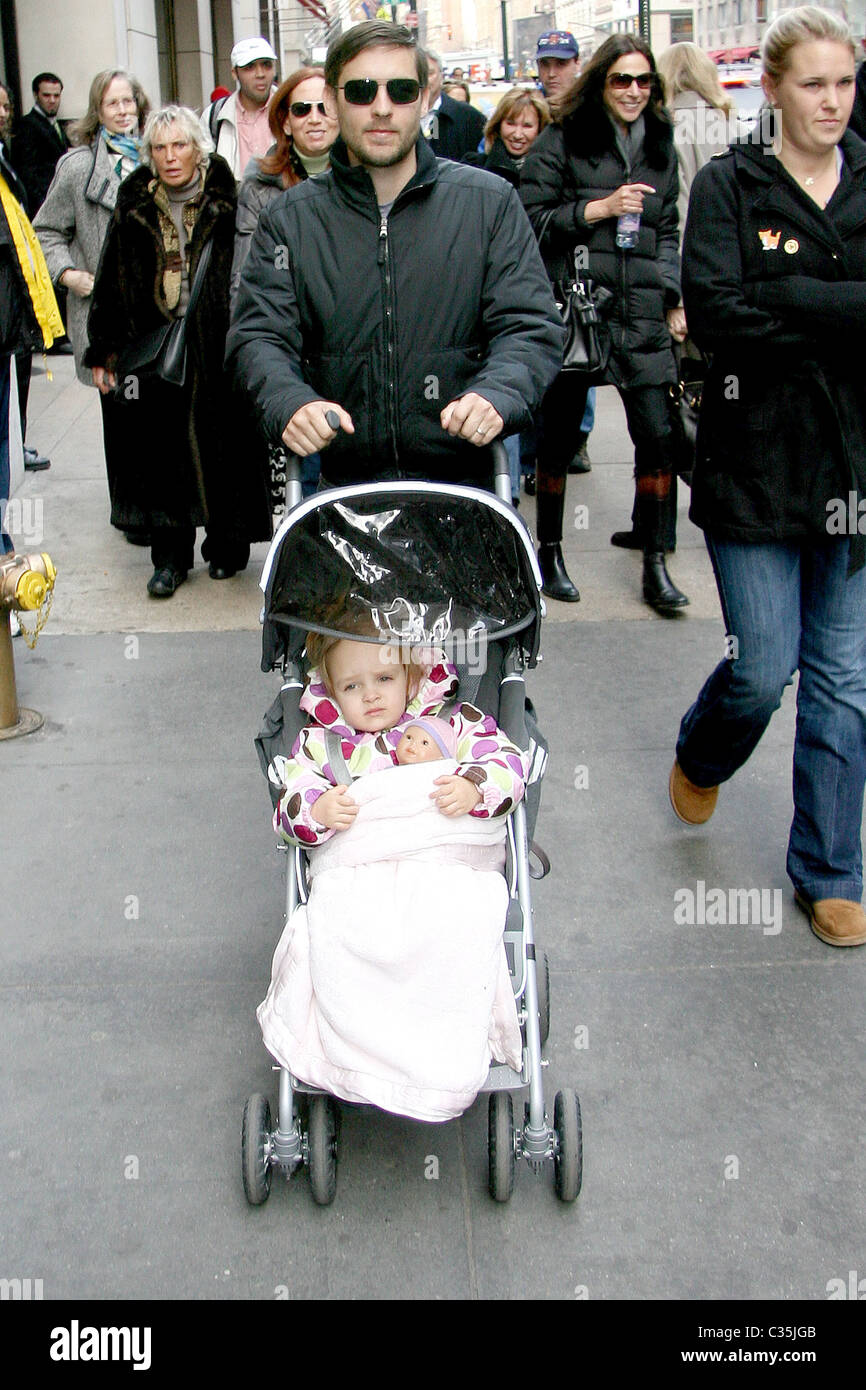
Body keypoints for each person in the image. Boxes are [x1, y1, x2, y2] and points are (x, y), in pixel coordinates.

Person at [670, 5, 866, 948]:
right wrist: (836, 312)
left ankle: (829, 869)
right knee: (764, 669)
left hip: (855, 465)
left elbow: (759, 307)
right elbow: (715, 312)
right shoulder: (729, 184)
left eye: (845, 82)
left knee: (844, 682)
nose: (832, 102)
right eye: (814, 84)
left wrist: (782, 296)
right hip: (754, 465)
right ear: (775, 90)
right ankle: (703, 750)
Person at [227, 20, 563, 493]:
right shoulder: (290, 219)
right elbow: (258, 336)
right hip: (343, 490)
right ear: (333, 97)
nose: (382, 108)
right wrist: (289, 401)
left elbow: (530, 325)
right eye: (362, 91)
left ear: (424, 98)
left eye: (401, 90)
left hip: (464, 488)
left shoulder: (489, 203)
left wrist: (497, 393)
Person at [260, 632, 526, 1121]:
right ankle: (360, 1053)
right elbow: (289, 801)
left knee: (456, 922)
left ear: (413, 673)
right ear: (330, 692)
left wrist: (475, 787)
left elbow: (510, 763)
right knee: (342, 926)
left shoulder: (451, 724)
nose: (372, 695)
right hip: (361, 872)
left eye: (384, 678)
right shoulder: (322, 743)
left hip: (444, 867)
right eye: (352, 687)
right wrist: (316, 807)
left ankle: (435, 1052)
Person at [521, 34, 689, 613]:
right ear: (600, 83)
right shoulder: (562, 140)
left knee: (657, 434)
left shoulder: (662, 146)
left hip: (641, 311)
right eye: (622, 80)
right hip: (578, 308)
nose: (635, 91)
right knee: (559, 438)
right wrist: (598, 209)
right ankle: (549, 550)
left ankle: (656, 559)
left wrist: (673, 297)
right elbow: (530, 219)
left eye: (644, 81)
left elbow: (667, 229)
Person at [84, 105, 270, 597]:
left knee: (222, 447)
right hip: (152, 348)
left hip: (217, 344)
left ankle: (227, 549)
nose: (170, 157)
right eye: (160, 148)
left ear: (198, 148)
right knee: (160, 455)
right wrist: (105, 351)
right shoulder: (134, 204)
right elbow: (109, 280)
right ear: (149, 154)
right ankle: (169, 559)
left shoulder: (228, 201)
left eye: (180, 145)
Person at [606, 41, 737, 556]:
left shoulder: (667, 129)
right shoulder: (724, 125)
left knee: (667, 410)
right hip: (717, 275)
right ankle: (655, 522)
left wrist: (672, 295)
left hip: (676, 278)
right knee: (694, 399)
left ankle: (679, 512)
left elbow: (669, 215)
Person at [34, 69, 150, 536]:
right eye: (112, 104)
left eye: (129, 102)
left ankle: (158, 506)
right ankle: (131, 511)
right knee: (120, 413)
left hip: (154, 313)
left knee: (153, 409)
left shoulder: (159, 154)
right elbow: (45, 230)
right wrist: (68, 274)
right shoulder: (79, 167)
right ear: (97, 111)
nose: (122, 112)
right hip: (105, 316)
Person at [462, 86, 551, 503]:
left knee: (521, 393)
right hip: (487, 307)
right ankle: (506, 497)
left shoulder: (550, 172)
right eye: (511, 122)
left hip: (537, 293)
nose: (518, 132)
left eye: (527, 124)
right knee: (498, 400)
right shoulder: (477, 175)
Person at [1, 83, 63, 567]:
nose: (2, 112)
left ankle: (2, 557)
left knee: (4, 450)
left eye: (3, 104)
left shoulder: (4, 161)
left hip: (6, 333)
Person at [534, 29, 592, 479]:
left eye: (561, 63)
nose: (552, 72)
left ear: (578, 64)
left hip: (593, 270)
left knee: (582, 355)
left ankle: (580, 439)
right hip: (548, 266)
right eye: (546, 64)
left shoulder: (587, 121)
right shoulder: (538, 117)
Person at [230, 65, 338, 299]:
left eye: (325, 108)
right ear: (286, 122)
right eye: (301, 110)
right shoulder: (259, 186)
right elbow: (246, 278)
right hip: (284, 321)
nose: (314, 119)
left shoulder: (365, 178)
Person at [200, 36, 278, 182]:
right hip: (234, 202)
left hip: (284, 202)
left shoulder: (291, 110)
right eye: (250, 67)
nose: (260, 74)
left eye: (266, 65)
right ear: (234, 73)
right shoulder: (213, 116)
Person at [10, 72, 69, 216]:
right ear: (36, 95)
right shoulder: (26, 126)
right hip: (44, 208)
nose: (52, 100)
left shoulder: (55, 125)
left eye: (56, 95)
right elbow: (27, 175)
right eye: (46, 95)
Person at [421, 47, 485, 160]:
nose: (423, 79)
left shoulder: (469, 117)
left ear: (441, 76)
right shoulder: (397, 114)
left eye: (429, 73)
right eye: (418, 73)